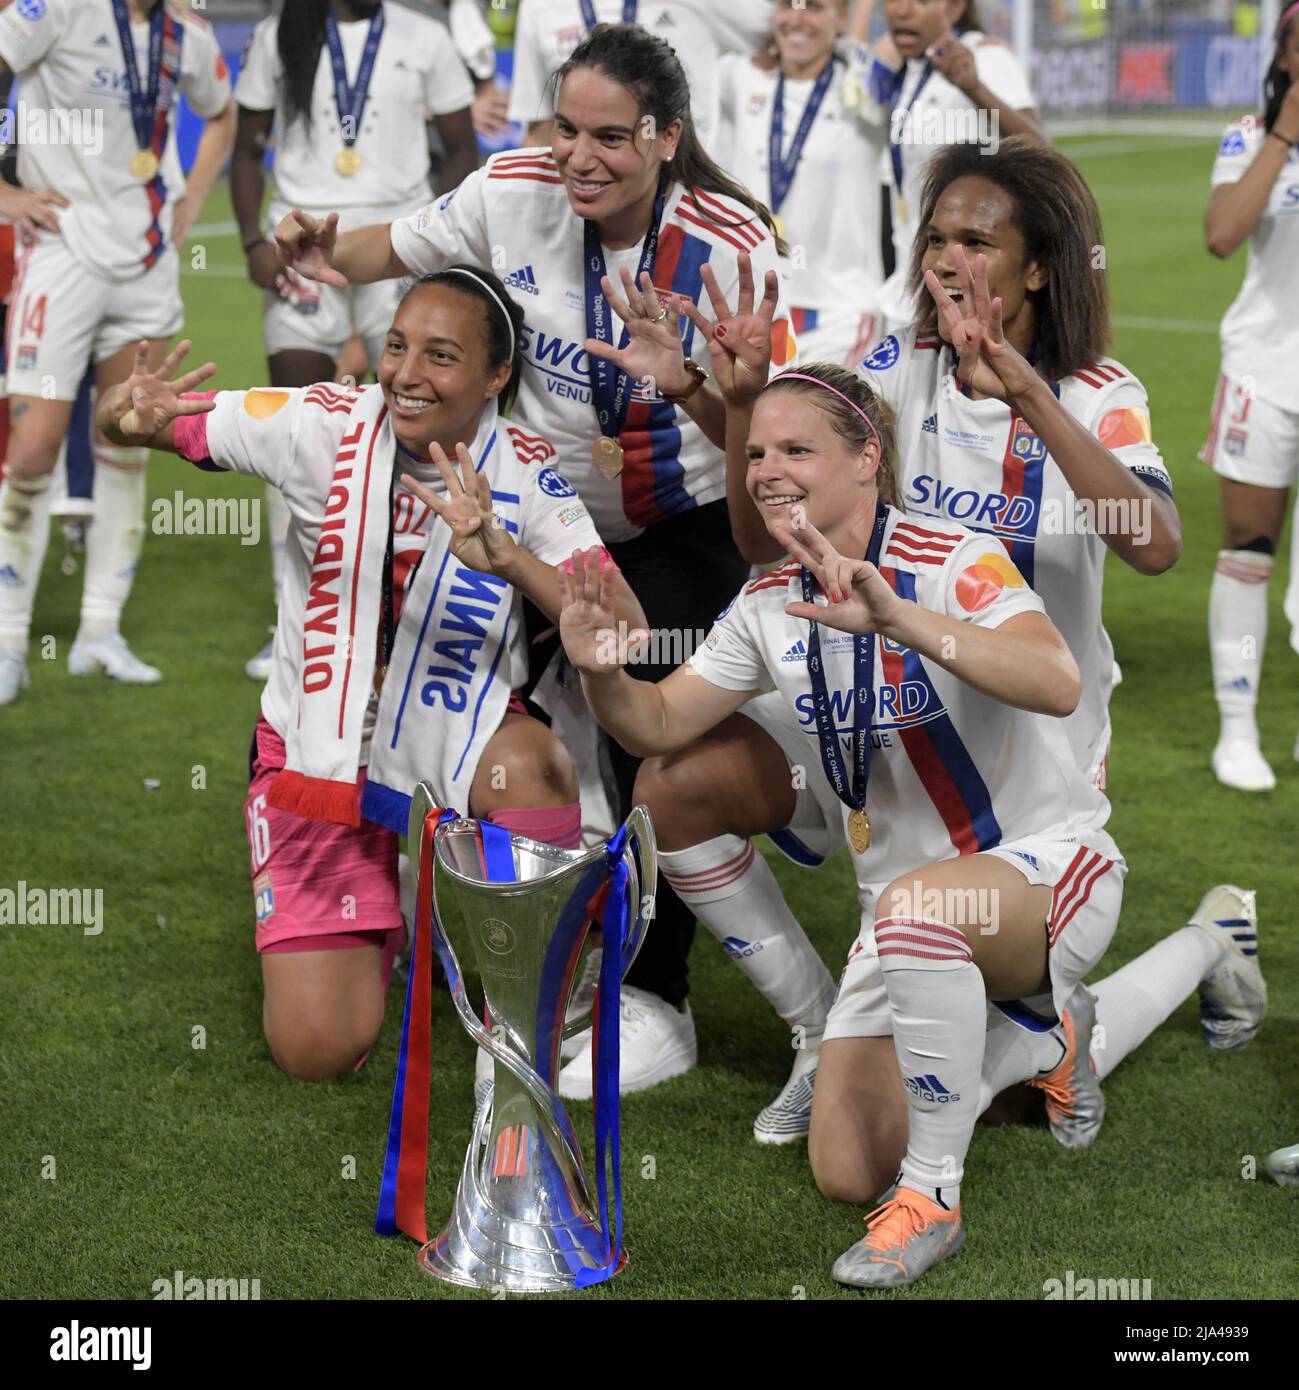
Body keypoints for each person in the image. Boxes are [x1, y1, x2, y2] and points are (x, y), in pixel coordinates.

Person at [272, 22, 799, 1098]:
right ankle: (476, 912)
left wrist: (703, 389)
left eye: (612, 136)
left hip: (677, 527)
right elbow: (398, 247)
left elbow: (762, 438)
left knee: (639, 723)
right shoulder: (510, 184)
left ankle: (657, 994)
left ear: (666, 139)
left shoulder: (733, 244)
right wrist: (327, 245)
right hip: (529, 509)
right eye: (568, 127)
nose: (582, 156)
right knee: (457, 689)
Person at [638, 136, 1183, 1142]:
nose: (945, 260)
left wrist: (1028, 391)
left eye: (976, 240)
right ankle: (814, 1029)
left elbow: (1151, 544)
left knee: (981, 1100)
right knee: (673, 782)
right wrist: (726, 396)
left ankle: (1072, 1013)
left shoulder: (1098, 391)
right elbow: (771, 528)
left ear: (1038, 266)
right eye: (935, 236)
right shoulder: (891, 360)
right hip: (864, 715)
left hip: (1020, 752)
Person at [556, 361, 1125, 1288]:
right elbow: (655, 725)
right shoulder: (767, 601)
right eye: (752, 454)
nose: (765, 470)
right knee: (844, 1168)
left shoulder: (950, 560)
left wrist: (899, 618)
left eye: (795, 449)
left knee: (912, 920)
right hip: (901, 910)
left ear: (868, 458)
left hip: (1042, 871)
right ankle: (1046, 1037)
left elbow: (1055, 681)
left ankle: (933, 1200)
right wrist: (602, 673)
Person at [94, 268, 645, 1081]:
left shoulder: (525, 471)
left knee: (533, 763)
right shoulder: (316, 424)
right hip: (318, 761)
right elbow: (145, 426)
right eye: (396, 346)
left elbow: (626, 630)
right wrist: (123, 412)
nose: (405, 374)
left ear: (496, 377)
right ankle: (391, 910)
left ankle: (513, 986)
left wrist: (509, 557)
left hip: (456, 750)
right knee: (316, 1050)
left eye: (441, 356)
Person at [231, 0, 479, 682]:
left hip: (395, 255)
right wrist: (254, 238)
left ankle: (410, 613)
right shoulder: (279, 34)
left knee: (418, 437)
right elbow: (246, 148)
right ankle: (297, 618)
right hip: (302, 246)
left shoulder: (425, 37)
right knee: (293, 432)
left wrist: (436, 233)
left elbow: (462, 147)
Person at [0, 0, 233, 706]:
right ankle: (9, 641)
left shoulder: (186, 34)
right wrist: (4, 193)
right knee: (34, 449)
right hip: (63, 253)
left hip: (147, 260)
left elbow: (220, 113)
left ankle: (99, 633)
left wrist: (191, 196)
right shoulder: (56, 9)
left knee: (130, 438)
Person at [1201, 0, 1299, 792]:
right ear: (1283, 53)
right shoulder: (1246, 134)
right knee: (1247, 550)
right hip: (1264, 371)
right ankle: (1236, 729)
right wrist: (1285, 129)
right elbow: (1222, 233)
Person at [713, 0, 886, 366]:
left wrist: (859, 23)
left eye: (814, 7)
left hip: (839, 313)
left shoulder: (863, 87)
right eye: (788, 6)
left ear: (841, 18)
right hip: (758, 306)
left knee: (828, 423)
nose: (798, 19)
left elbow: (893, 55)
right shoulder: (740, 76)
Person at [870, 0, 1040, 329]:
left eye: (920, 1)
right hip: (908, 290)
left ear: (956, 8)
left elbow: (1041, 149)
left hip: (965, 291)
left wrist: (975, 88)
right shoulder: (905, 71)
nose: (902, 11)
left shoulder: (985, 56)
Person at [507, 0, 774, 151]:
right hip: (593, 199)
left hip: (687, 193)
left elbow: (790, 29)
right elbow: (539, 129)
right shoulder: (539, 6)